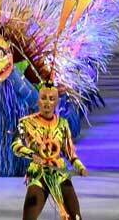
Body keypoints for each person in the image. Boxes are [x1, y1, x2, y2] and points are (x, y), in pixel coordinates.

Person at [13, 83, 85, 220]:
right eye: (43, 98)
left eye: (51, 99)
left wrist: (80, 167)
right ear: (38, 100)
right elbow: (15, 145)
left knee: (75, 216)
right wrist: (32, 154)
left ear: (57, 102)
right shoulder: (26, 123)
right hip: (38, 175)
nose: (47, 103)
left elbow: (70, 153)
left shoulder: (63, 124)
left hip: (59, 174)